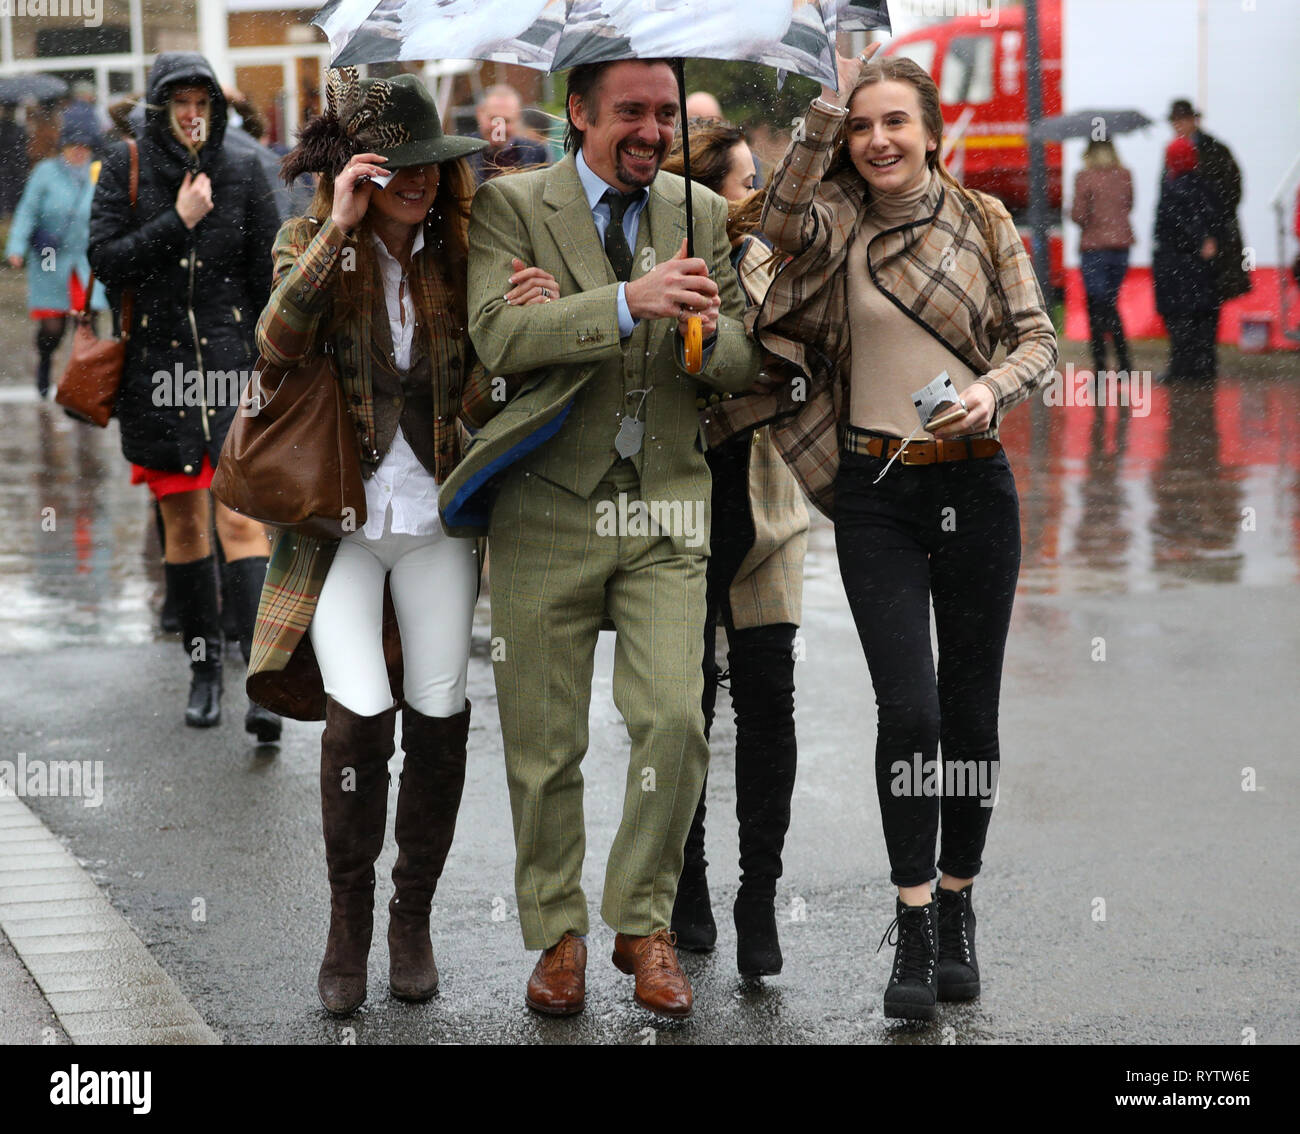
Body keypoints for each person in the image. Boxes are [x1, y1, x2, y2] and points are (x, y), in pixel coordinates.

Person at [704, 50, 1057, 1021]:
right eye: (861, 127)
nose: (877, 140)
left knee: (969, 714)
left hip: (976, 488)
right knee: (908, 711)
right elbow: (771, 221)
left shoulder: (982, 221)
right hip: (874, 492)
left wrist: (989, 392)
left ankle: (956, 905)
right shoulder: (835, 220)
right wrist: (824, 105)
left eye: (893, 122)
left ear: (933, 131)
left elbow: (1039, 339)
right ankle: (908, 920)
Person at [438, 58, 760, 1019]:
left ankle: (642, 923)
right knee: (544, 745)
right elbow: (499, 336)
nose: (653, 130)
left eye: (665, 113)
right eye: (631, 112)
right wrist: (626, 302)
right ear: (577, 112)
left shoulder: (698, 207)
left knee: (676, 719)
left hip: (664, 505)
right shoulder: (511, 208)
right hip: (545, 508)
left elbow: (744, 353)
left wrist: (706, 333)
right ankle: (558, 938)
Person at [246, 69, 493, 1017]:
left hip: (436, 524)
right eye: (399, 168)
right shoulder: (309, 239)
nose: (421, 182)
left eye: (431, 166)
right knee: (357, 716)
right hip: (339, 529)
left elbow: (485, 379)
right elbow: (275, 344)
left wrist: (517, 320)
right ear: (355, 171)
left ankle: (411, 916)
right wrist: (341, 233)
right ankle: (347, 923)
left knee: (440, 712)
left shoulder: (460, 253)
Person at [88, 53, 282, 739]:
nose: (193, 114)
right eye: (181, 102)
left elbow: (266, 282)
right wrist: (177, 220)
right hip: (156, 377)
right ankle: (204, 673)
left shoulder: (246, 169)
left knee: (240, 523)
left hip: (231, 374)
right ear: (161, 108)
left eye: (203, 101)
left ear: (217, 109)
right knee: (187, 526)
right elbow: (107, 263)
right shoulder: (126, 166)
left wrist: (274, 372)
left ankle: (262, 682)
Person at [660, 120, 809, 978]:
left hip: (766, 509)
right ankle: (690, 883)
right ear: (706, 191)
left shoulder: (771, 266)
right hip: (680, 508)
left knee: (769, 705)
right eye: (743, 179)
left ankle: (760, 896)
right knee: (687, 709)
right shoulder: (665, 260)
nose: (758, 193)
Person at [5, 120, 108, 397]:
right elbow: (27, 211)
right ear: (63, 147)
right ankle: (45, 361)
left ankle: (86, 381)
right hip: (50, 252)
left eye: (85, 146)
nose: (79, 151)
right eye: (74, 146)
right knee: (53, 323)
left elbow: (109, 211)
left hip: (85, 256)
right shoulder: (45, 173)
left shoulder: (96, 173)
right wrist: (16, 246)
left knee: (86, 320)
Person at [1153, 136, 1222, 382]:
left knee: (1179, 320)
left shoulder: (1171, 187)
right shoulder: (1205, 186)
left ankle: (1181, 368)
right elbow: (1216, 221)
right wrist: (1206, 239)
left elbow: (1168, 226)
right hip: (1200, 269)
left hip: (1175, 265)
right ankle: (1204, 367)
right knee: (1203, 317)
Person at [1168, 98, 1250, 305]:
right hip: (1185, 238)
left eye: (1181, 121)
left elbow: (1231, 188)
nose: (1178, 127)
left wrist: (1212, 225)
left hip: (1213, 233)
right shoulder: (1174, 153)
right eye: (1175, 122)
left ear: (1192, 121)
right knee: (1192, 294)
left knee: (1211, 291)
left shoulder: (1214, 150)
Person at [1070, 138, 1133, 377]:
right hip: (1121, 247)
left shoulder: (1085, 177)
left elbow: (1079, 216)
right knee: (1109, 304)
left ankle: (1101, 367)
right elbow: (1129, 205)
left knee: (1097, 307)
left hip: (1095, 248)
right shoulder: (1124, 174)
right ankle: (1124, 362)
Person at [467, 83, 550, 183]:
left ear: (518, 118)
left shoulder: (536, 152)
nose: (499, 128)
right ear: (479, 114)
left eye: (506, 121)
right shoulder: (463, 152)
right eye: (494, 119)